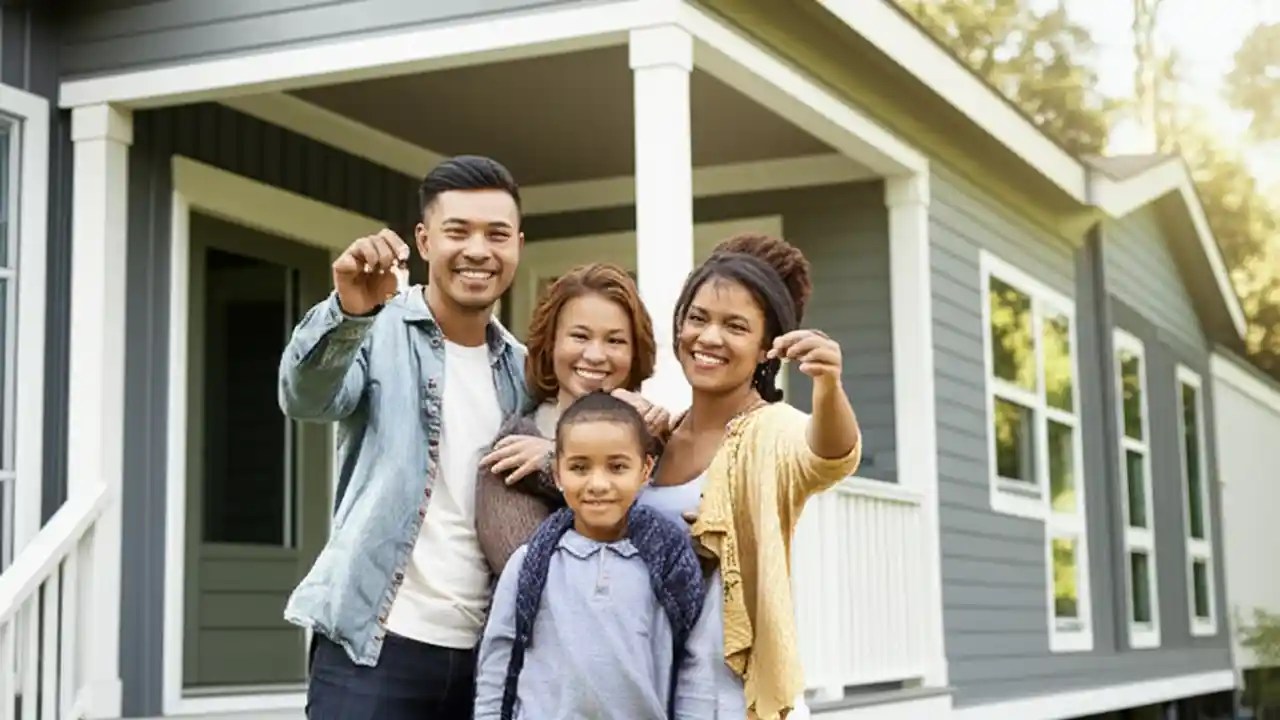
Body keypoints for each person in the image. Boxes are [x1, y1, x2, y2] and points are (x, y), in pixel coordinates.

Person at [278, 155, 528, 719]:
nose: (478, 250)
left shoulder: (523, 370)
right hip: (375, 645)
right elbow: (305, 398)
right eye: (457, 231)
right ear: (423, 239)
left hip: (485, 657)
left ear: (517, 244)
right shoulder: (373, 327)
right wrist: (347, 310)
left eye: (497, 234)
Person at [639, 233, 862, 720]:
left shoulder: (768, 431)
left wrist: (827, 386)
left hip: (728, 702)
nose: (709, 338)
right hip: (651, 693)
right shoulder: (659, 437)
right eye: (697, 318)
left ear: (766, 348)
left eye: (735, 327)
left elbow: (829, 455)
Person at [474, 391, 714, 720]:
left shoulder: (669, 568)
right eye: (579, 467)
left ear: (645, 470)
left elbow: (694, 671)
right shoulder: (531, 565)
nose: (598, 484)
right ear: (557, 473)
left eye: (617, 467)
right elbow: (496, 667)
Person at [475, 262, 668, 575]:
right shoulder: (513, 447)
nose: (595, 355)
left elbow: (675, 557)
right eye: (580, 336)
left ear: (635, 354)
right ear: (551, 345)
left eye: (615, 341)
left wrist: (554, 459)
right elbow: (535, 573)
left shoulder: (656, 438)